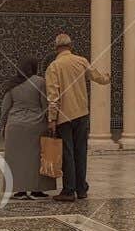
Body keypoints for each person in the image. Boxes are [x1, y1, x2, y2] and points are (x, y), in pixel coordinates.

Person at [45, 31, 109, 202]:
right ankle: (81, 189)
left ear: (56, 48)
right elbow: (98, 77)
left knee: (68, 153)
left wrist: (51, 119)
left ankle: (68, 190)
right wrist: (107, 77)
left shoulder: (53, 67)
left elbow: (53, 96)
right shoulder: (81, 61)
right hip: (82, 114)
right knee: (80, 152)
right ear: (71, 46)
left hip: (64, 117)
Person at [0, 57, 54, 199]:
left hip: (15, 126)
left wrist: (3, 125)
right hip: (36, 124)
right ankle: (37, 190)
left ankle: (20, 191)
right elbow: (44, 104)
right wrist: (50, 122)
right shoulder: (40, 82)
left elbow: (5, 108)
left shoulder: (12, 84)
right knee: (36, 159)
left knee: (16, 159)